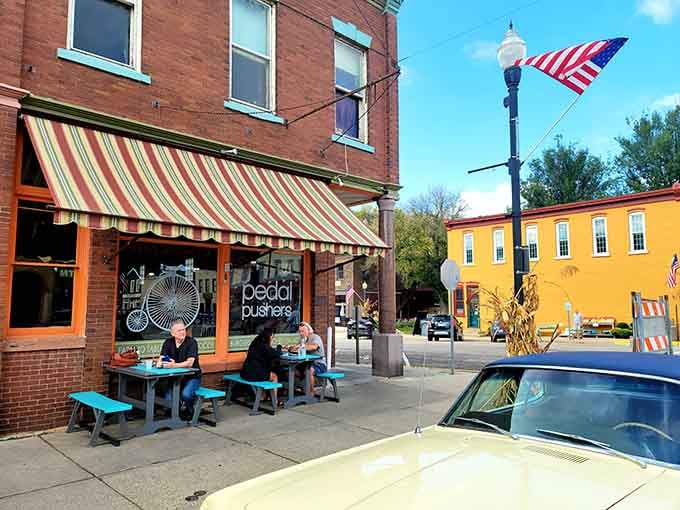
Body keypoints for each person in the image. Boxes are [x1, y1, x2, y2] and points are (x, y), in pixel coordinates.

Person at [157, 319, 201, 420]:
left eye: (183, 329)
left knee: (186, 395)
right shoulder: (168, 342)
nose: (182, 332)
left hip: (192, 377)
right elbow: (161, 358)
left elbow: (190, 363)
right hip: (174, 377)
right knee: (168, 400)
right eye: (179, 330)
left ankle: (190, 410)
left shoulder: (192, 342)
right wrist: (160, 363)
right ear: (172, 333)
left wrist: (174, 365)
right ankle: (175, 414)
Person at [240, 328, 282, 404]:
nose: (272, 339)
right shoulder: (264, 346)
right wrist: (279, 347)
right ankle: (275, 401)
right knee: (274, 376)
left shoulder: (255, 343)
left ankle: (263, 396)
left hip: (245, 373)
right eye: (272, 337)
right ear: (269, 336)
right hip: (253, 375)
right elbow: (277, 354)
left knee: (265, 372)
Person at [289, 321, 326, 390]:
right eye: (299, 331)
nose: (301, 333)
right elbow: (294, 348)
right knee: (292, 370)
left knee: (309, 371)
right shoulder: (302, 339)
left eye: (303, 331)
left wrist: (301, 346)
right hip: (306, 362)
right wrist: (293, 348)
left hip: (318, 363)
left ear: (309, 330)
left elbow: (314, 347)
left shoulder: (315, 337)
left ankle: (311, 393)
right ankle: (299, 390)